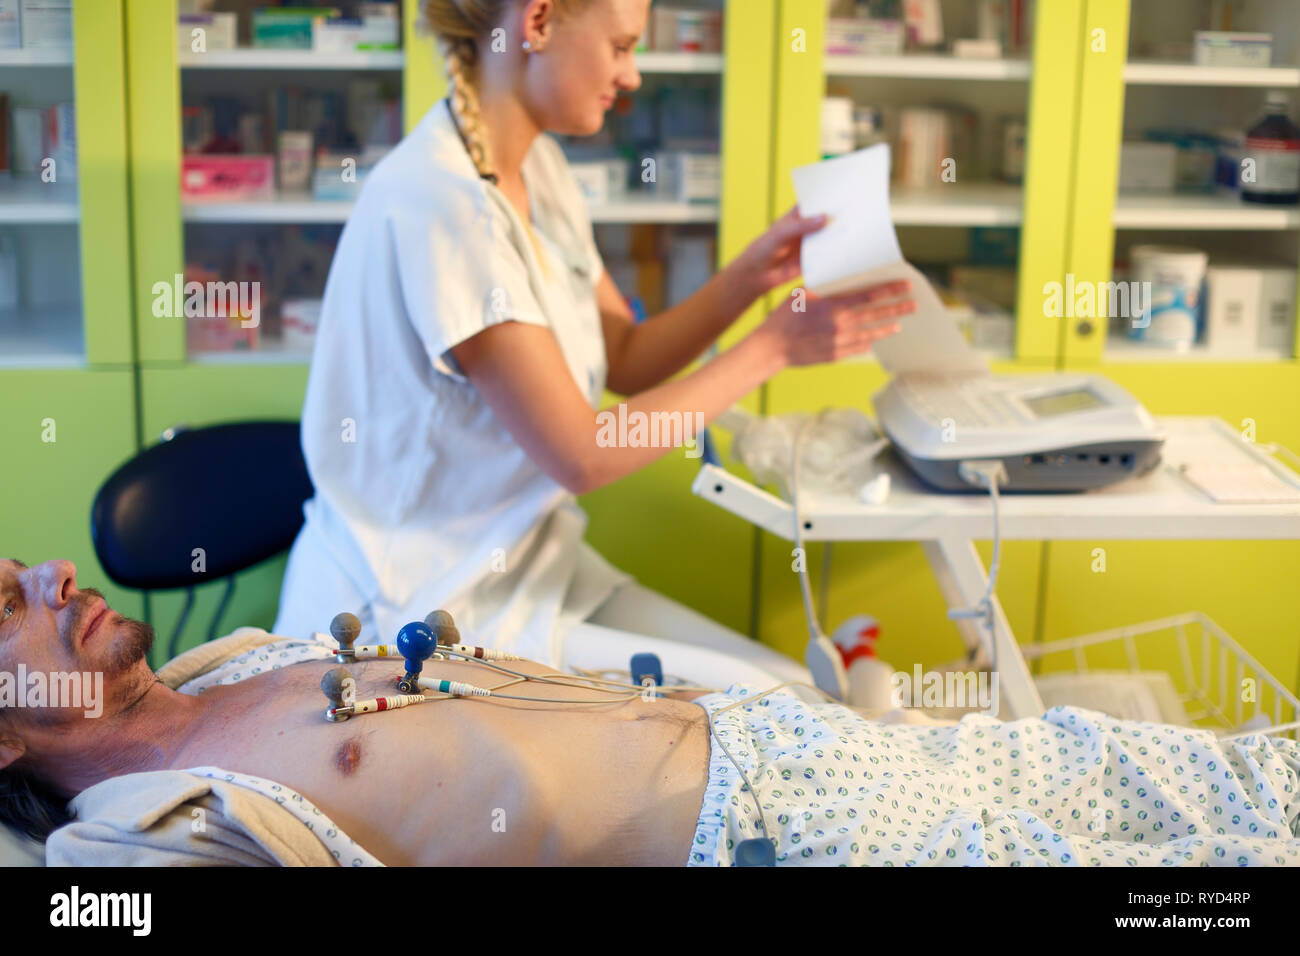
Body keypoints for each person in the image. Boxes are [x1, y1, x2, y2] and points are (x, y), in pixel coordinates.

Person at [271, 0, 917, 673]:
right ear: (539, 21)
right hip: (421, 611)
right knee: (764, 708)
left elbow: (627, 357)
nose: (632, 75)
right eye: (620, 46)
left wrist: (750, 278)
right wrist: (774, 348)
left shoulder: (539, 172)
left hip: (531, 572)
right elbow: (582, 453)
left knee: (787, 688)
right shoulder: (447, 205)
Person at [7, 559, 1300, 867]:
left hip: (786, 741)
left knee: (1218, 775)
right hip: (770, 833)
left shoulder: (231, 669)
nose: (52, 575)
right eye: (8, 603)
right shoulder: (133, 840)